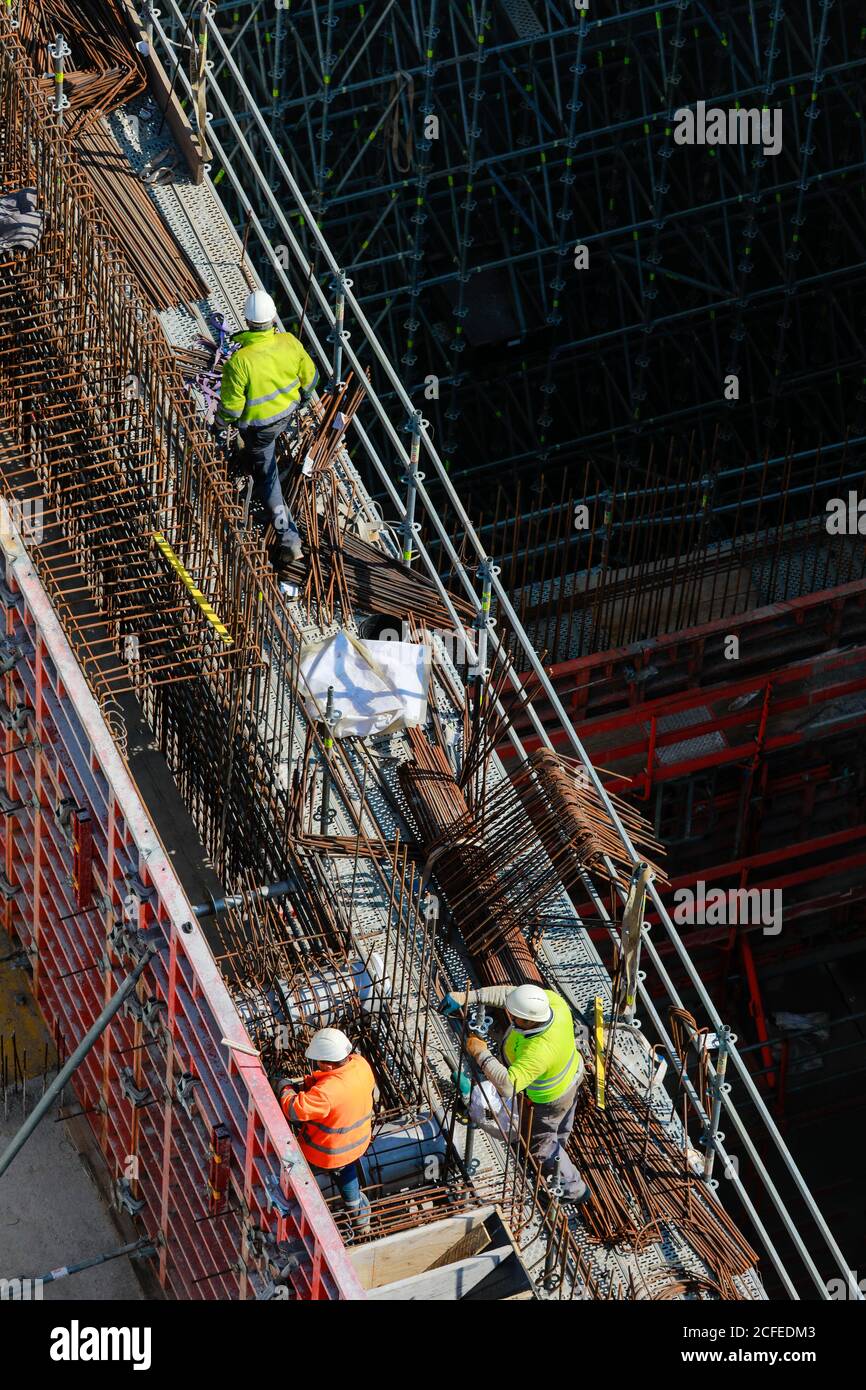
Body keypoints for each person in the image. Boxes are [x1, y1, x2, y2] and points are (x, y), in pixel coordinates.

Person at [439, 982, 587, 1203]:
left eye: (515, 1016)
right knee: (559, 1131)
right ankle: (559, 1157)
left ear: (528, 1021)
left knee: (541, 1144)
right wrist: (468, 996)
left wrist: (481, 1053)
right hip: (572, 1076)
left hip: (550, 1100)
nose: (510, 1015)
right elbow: (509, 994)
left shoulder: (539, 1050)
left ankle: (572, 1190)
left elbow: (507, 1085)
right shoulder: (553, 1004)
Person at [218, 289, 317, 567]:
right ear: (273, 317)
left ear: (248, 322)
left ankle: (289, 539)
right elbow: (310, 379)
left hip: (260, 431)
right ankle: (250, 456)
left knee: (268, 480)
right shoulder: (289, 342)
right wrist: (303, 398)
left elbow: (232, 409)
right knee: (259, 455)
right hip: (285, 417)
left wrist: (218, 425)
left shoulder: (240, 362)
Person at [276, 1028, 375, 1233]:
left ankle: (292, 1206)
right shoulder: (360, 1065)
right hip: (358, 1142)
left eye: (319, 1061)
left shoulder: (327, 1092)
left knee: (297, 1174)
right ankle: (358, 1215)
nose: (317, 1064)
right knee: (346, 1171)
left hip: (325, 1153)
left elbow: (293, 1110)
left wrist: (284, 1088)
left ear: (328, 1064)